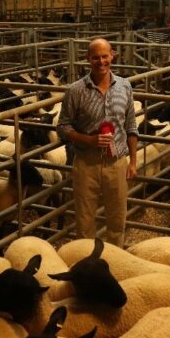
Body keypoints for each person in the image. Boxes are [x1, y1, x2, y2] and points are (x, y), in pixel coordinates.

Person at [57, 38, 138, 247]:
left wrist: (133, 162)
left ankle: (114, 260)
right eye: (95, 57)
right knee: (84, 222)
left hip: (117, 162)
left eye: (104, 56)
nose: (101, 61)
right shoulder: (75, 90)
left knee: (117, 220)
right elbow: (63, 127)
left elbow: (131, 126)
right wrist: (90, 140)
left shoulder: (125, 86)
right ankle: (86, 263)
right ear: (88, 59)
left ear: (112, 55)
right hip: (86, 162)